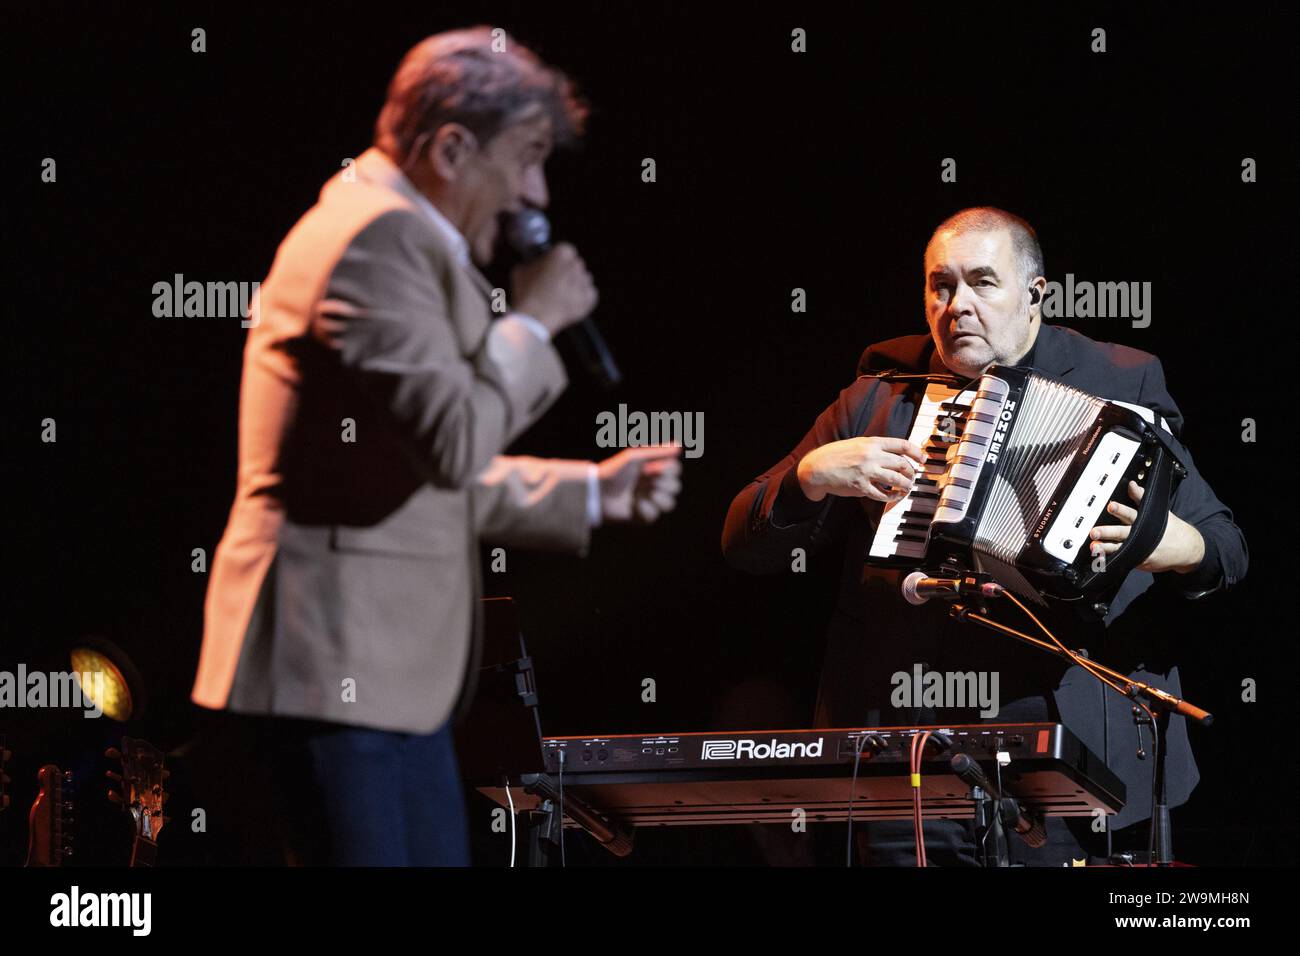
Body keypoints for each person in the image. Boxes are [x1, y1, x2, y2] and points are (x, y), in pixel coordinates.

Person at [191, 28, 681, 865]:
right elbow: (455, 440)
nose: (536, 195)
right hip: (330, 664)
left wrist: (591, 492)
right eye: (526, 159)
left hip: (385, 680)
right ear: (452, 147)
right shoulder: (370, 243)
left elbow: (419, 469)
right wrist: (535, 321)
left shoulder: (406, 241)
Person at [722, 206, 1247, 866]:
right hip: (911, 752)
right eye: (940, 285)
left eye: (981, 283)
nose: (956, 306)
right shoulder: (880, 394)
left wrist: (1157, 542)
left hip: (1063, 752)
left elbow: (1225, 548)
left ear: (1036, 295)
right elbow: (744, 545)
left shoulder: (1120, 381)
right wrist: (810, 476)